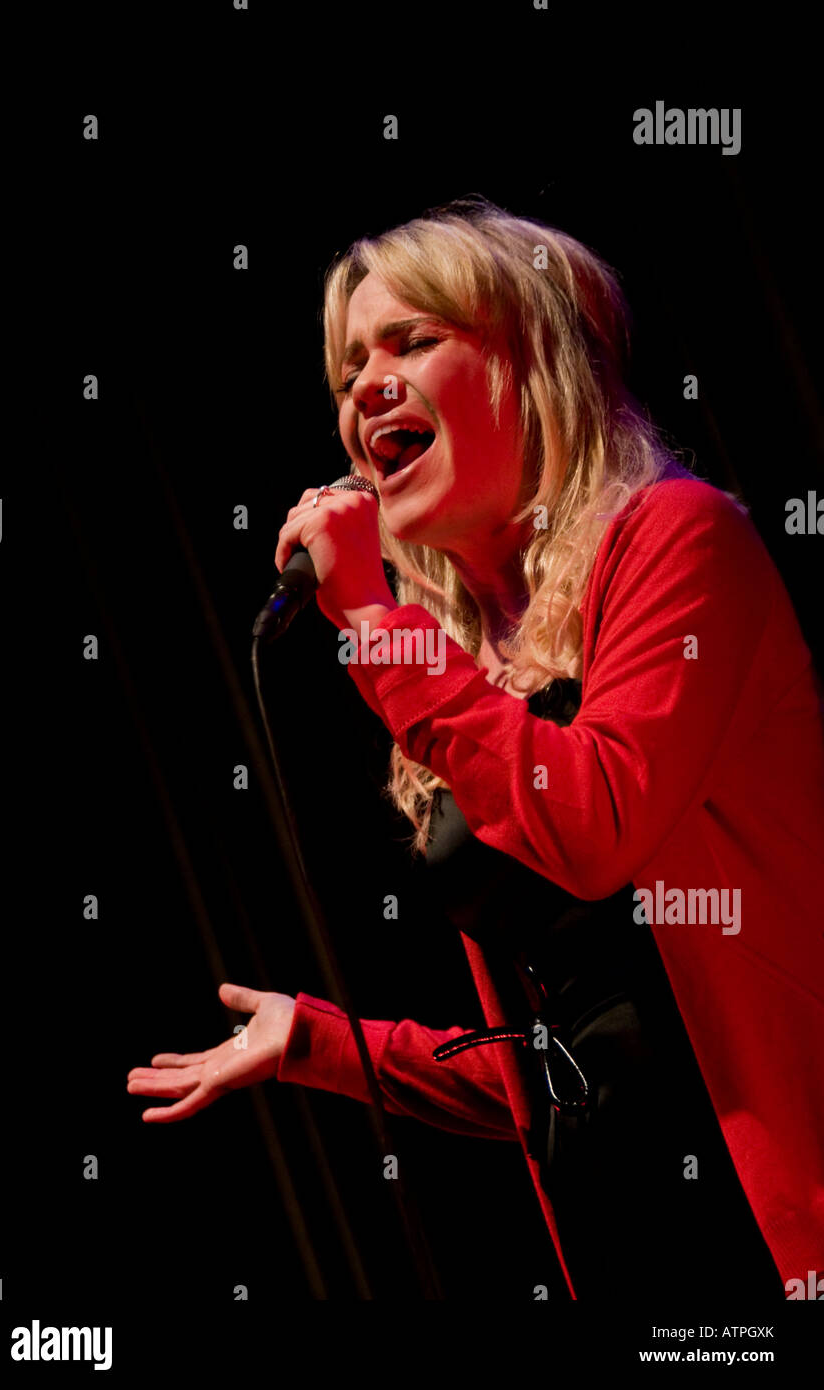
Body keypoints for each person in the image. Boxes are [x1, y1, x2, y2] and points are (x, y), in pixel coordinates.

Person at [127, 197, 824, 1301]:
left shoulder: (678, 543)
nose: (365, 386)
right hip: (624, 1232)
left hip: (773, 1230)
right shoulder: (456, 663)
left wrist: (369, 620)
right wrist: (319, 1042)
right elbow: (561, 1063)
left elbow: (592, 828)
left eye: (412, 341)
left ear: (533, 367)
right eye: (349, 365)